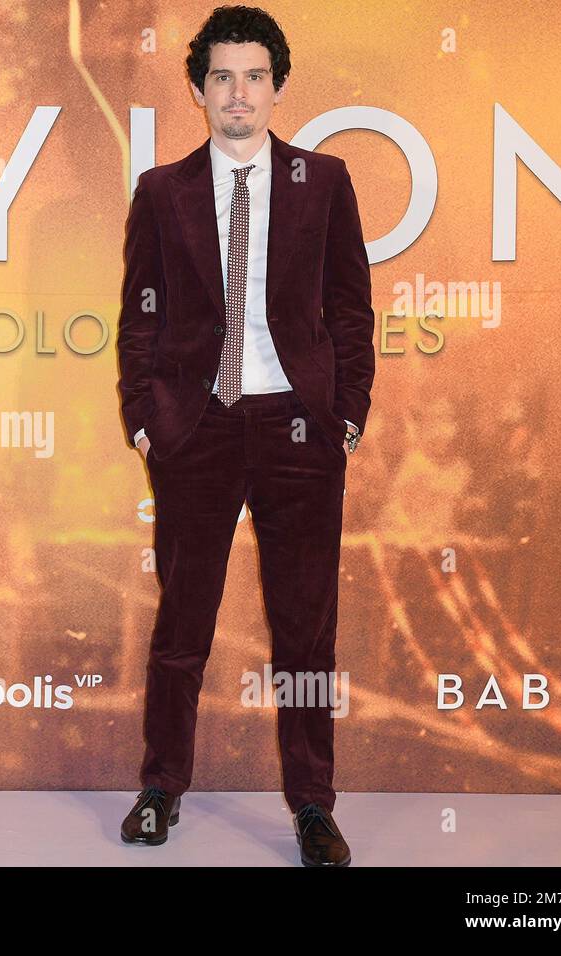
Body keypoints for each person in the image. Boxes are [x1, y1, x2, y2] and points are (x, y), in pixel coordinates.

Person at [115, 4, 375, 866]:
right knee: (182, 623)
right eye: (222, 77)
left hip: (300, 429)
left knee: (305, 631)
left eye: (254, 76)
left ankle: (312, 806)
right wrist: (146, 423)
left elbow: (350, 309)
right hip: (198, 429)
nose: (239, 92)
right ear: (198, 90)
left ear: (277, 86)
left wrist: (345, 416)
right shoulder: (162, 192)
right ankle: (161, 787)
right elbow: (140, 319)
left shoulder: (324, 182)